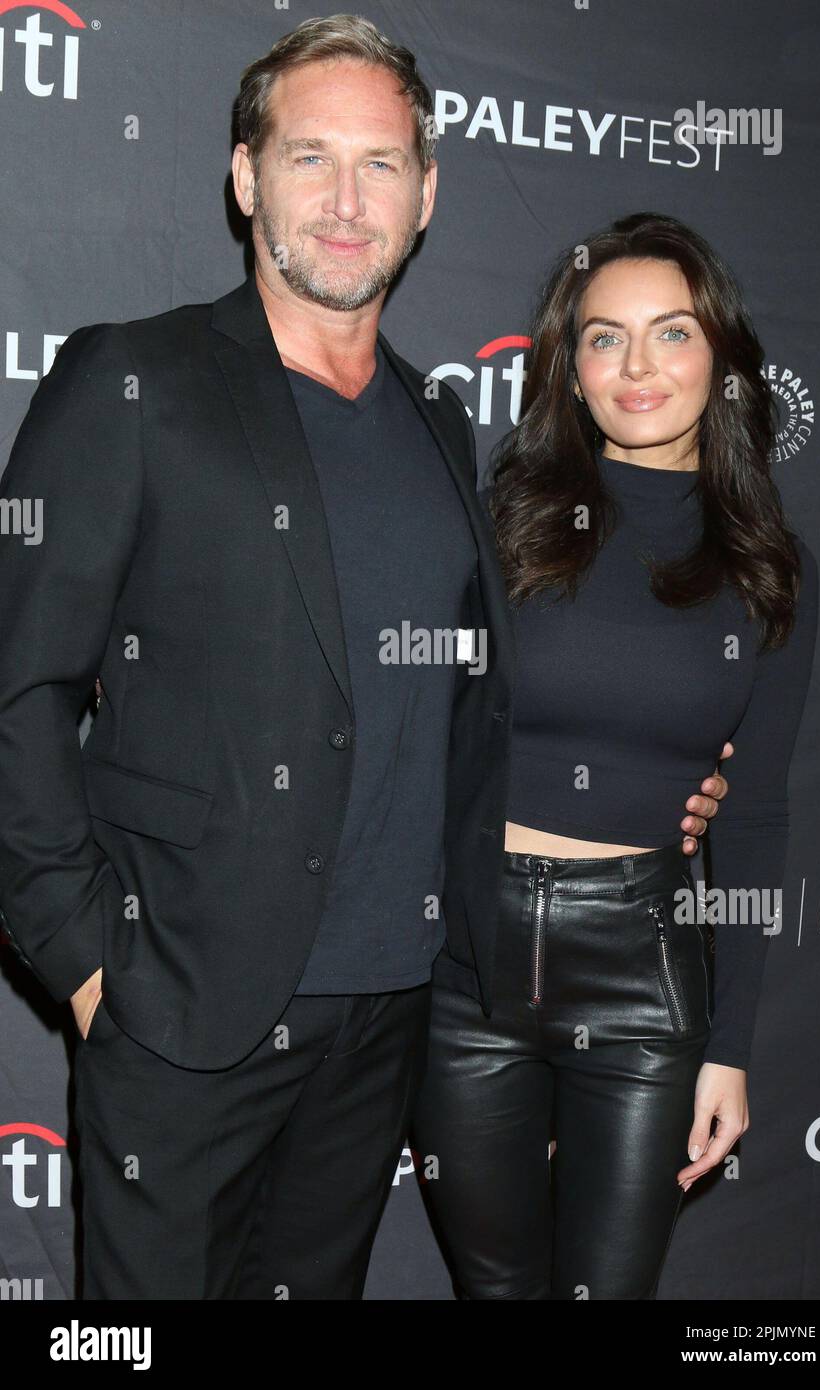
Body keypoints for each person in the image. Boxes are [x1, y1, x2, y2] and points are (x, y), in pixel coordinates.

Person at [0, 18, 726, 1300]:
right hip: (183, 1011)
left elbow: (476, 700)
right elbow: (19, 684)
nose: (346, 201)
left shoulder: (443, 427)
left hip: (393, 1016)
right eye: (309, 158)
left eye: (382, 164)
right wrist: (84, 962)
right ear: (244, 176)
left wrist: (657, 773)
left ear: (428, 192)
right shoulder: (138, 381)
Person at [410, 213, 820, 1300]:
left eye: (670, 333)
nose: (636, 366)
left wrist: (727, 1048)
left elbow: (756, 814)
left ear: (719, 358)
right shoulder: (496, 524)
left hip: (641, 974)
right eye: (603, 338)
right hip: (465, 972)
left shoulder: (770, 569)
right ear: (569, 370)